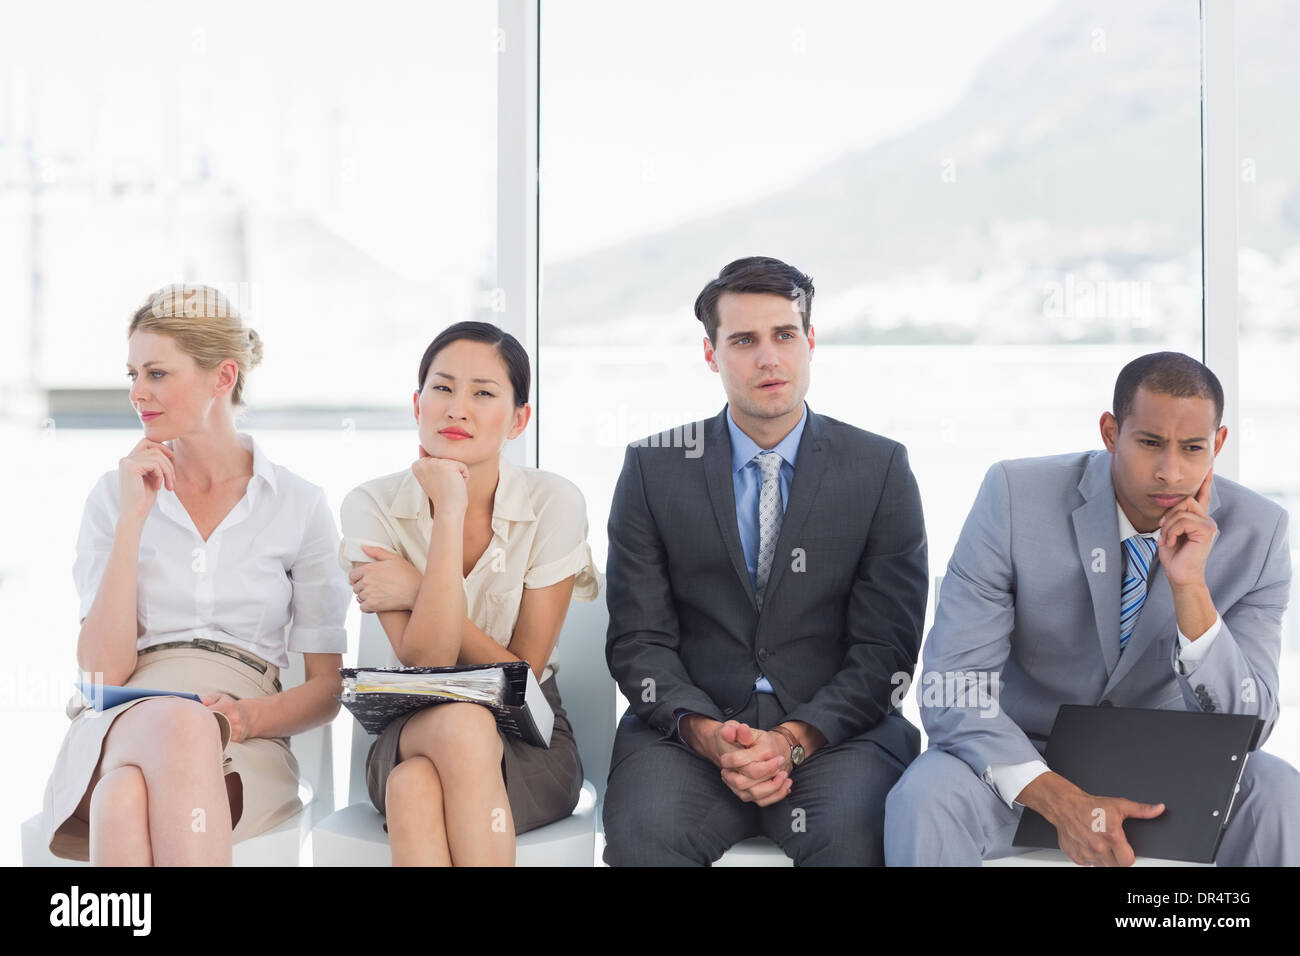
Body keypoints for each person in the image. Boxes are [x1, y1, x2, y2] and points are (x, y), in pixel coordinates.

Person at [885, 351, 1299, 866]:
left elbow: (1249, 727)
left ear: (1217, 444)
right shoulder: (1015, 496)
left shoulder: (1261, 533)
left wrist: (1191, 590)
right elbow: (953, 685)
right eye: (1150, 443)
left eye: (1192, 449)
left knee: (1278, 790)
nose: (1171, 472)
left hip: (1169, 771)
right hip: (1025, 761)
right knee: (924, 796)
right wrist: (1061, 801)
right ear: (1110, 432)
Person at [601, 256, 929, 866]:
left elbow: (887, 649)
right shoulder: (653, 469)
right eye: (744, 340)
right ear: (711, 353)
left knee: (859, 838)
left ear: (810, 341)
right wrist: (706, 735)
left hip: (837, 736)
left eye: (784, 335)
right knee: (644, 836)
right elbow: (638, 640)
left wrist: (793, 739)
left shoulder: (879, 468)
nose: (769, 358)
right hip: (689, 734)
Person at [42, 284, 350, 865]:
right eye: (132, 373)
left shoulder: (299, 504)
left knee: (123, 800)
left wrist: (247, 716)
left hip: (242, 733)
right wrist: (134, 519)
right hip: (121, 717)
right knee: (178, 726)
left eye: (157, 374)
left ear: (223, 377)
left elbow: (327, 689)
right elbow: (103, 670)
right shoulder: (114, 497)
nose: (137, 393)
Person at [340, 321, 598, 866]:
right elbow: (428, 659)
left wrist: (418, 586)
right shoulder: (372, 505)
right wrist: (450, 511)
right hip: (412, 724)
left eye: (483, 393)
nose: (457, 408)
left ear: (518, 419)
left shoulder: (554, 502)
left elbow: (518, 678)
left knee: (414, 788)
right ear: (417, 404)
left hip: (529, 735)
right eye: (442, 388)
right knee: (454, 727)